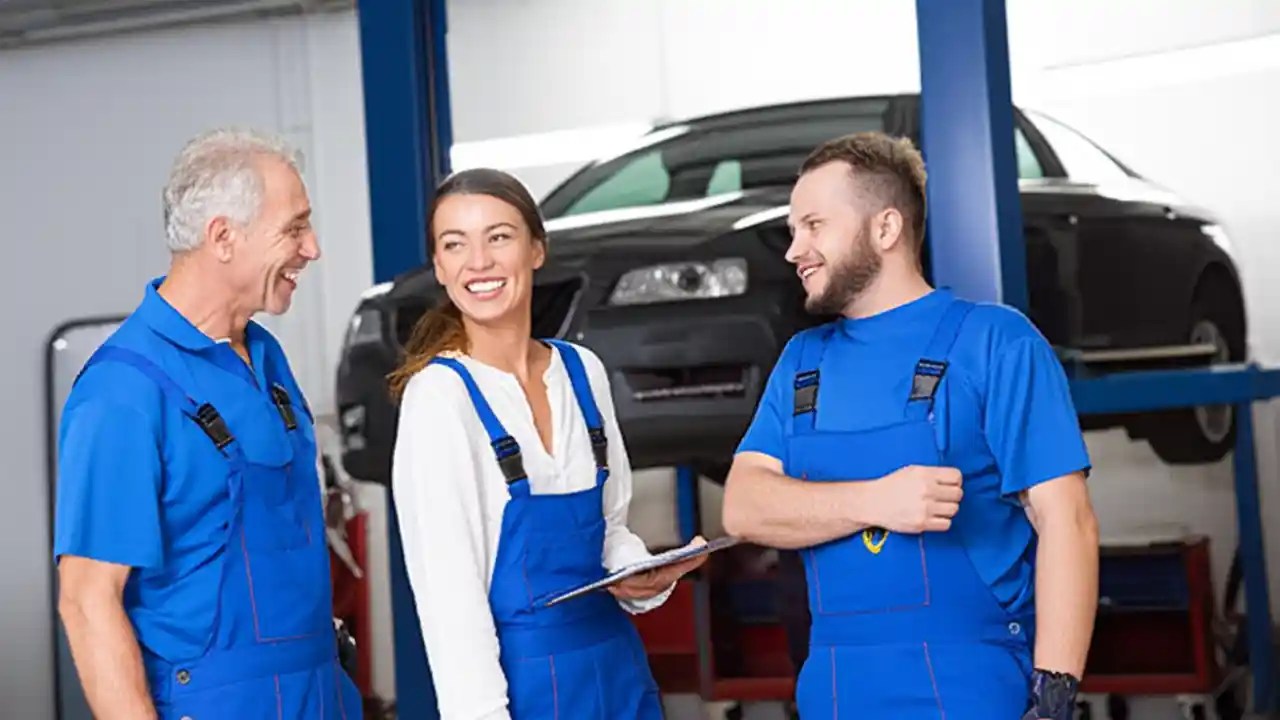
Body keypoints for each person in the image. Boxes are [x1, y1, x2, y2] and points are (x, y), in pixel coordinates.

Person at [721, 132, 1099, 720]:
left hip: (971, 687)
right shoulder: (803, 363)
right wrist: (877, 501)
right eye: (795, 230)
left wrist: (1054, 694)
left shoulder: (994, 342)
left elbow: (1066, 520)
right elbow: (744, 508)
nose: (795, 250)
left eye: (814, 225)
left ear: (886, 228)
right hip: (835, 690)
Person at [53, 128, 362, 718]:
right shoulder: (123, 391)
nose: (313, 248)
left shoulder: (266, 358)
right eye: (294, 228)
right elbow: (88, 602)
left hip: (319, 692)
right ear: (223, 236)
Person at [388, 167, 706, 720]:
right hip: (520, 688)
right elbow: (449, 601)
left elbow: (608, 529)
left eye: (499, 237)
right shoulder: (439, 398)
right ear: (439, 267)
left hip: (618, 670)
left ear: (537, 249)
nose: (479, 262)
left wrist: (640, 572)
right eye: (455, 244)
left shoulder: (582, 372)